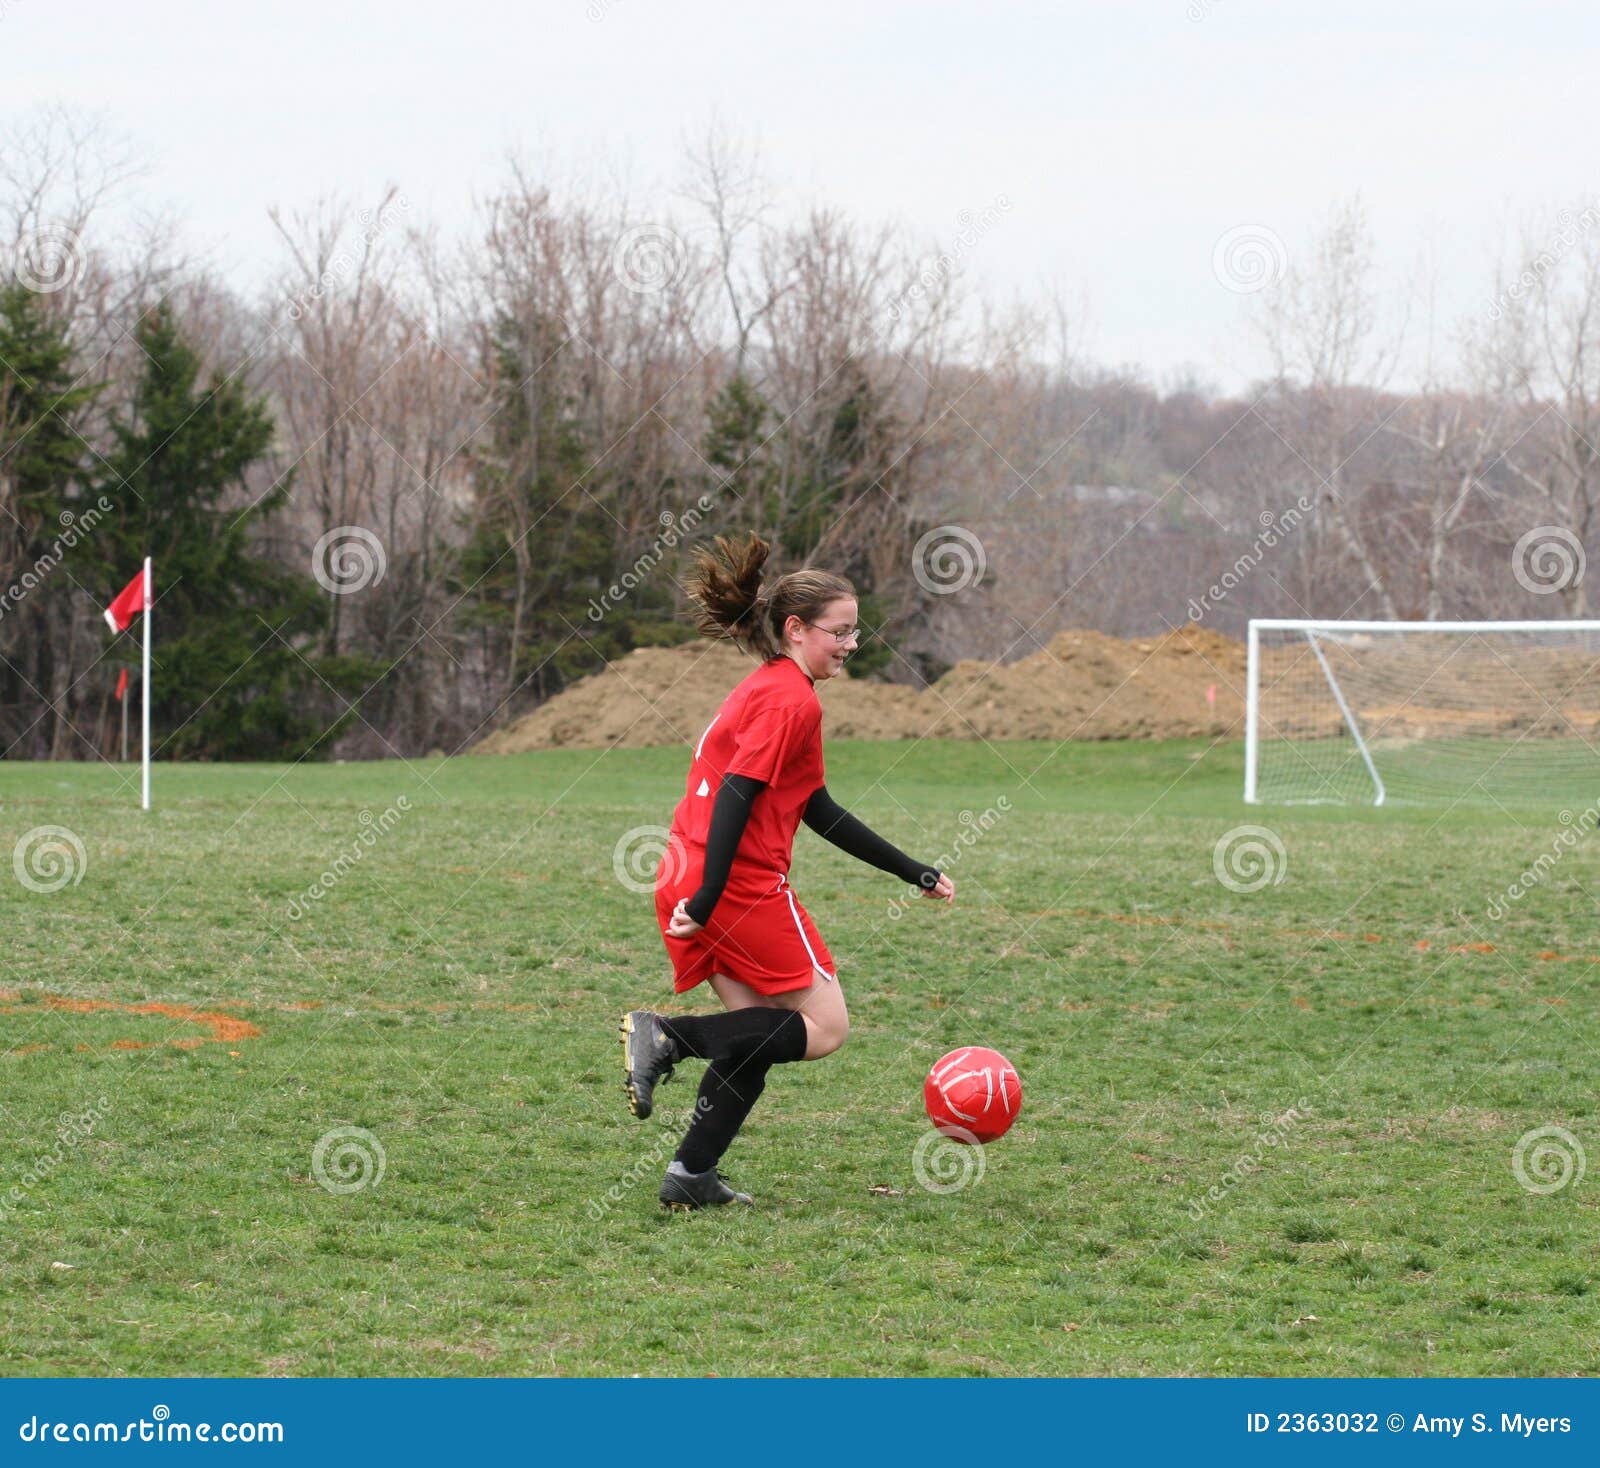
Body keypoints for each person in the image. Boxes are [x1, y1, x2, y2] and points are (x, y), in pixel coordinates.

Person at [620, 532, 955, 1210]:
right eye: (841, 632)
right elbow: (740, 792)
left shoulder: (772, 689)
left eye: (856, 632)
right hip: (735, 885)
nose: (851, 644)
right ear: (796, 629)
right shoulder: (791, 699)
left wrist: (909, 870)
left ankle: (691, 1174)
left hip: (685, 872)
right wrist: (714, 897)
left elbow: (818, 810)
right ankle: (667, 1035)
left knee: (757, 1041)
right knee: (825, 1027)